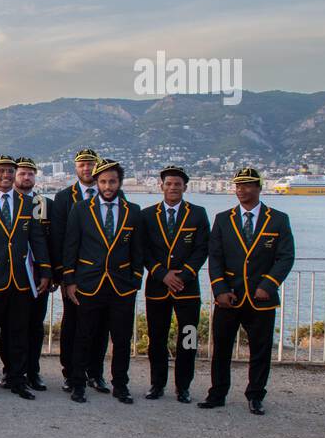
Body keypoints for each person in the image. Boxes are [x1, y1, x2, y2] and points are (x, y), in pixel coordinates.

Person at [199, 167, 295, 415]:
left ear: (259, 187)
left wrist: (268, 285)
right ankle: (217, 393)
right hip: (229, 298)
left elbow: (285, 257)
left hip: (261, 299)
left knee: (260, 350)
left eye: (248, 185)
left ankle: (255, 396)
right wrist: (219, 289)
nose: (242, 190)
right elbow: (215, 257)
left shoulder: (278, 219)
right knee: (221, 349)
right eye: (238, 185)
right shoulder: (223, 218)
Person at [61, 159, 143, 405]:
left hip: (121, 287)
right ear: (97, 183)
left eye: (113, 181)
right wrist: (70, 281)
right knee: (82, 336)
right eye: (104, 181)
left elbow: (138, 251)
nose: (108, 186)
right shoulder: (81, 209)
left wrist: (135, 282)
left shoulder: (133, 211)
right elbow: (71, 247)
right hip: (89, 284)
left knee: (121, 338)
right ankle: (77, 383)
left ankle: (121, 384)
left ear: (119, 182)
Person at [0, 154, 50, 400]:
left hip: (20, 279)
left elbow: (37, 239)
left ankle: (16, 378)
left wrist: (45, 270)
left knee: (18, 331)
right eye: (0, 171)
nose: (5, 175)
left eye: (9, 171)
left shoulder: (30, 204)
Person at [140, 165, 210, 403]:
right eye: (168, 184)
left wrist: (185, 275)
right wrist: (162, 274)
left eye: (177, 184)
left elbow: (202, 248)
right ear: (161, 186)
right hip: (157, 289)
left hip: (187, 290)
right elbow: (144, 250)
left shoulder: (198, 214)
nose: (172, 188)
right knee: (156, 339)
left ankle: (183, 387)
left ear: (185, 187)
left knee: (188, 339)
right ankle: (157, 384)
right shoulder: (147, 215)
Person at [51, 149, 109, 393]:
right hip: (75, 275)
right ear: (75, 167)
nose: (87, 168)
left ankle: (95, 372)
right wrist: (64, 274)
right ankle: (70, 371)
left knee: (100, 326)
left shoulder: (112, 194)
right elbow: (59, 238)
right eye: (82, 164)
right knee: (72, 325)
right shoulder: (64, 198)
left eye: (91, 164)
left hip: (105, 277)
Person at [13, 157, 52, 391]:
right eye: (22, 174)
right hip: (12, 274)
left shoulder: (42, 203)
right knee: (12, 326)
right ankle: (12, 371)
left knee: (36, 325)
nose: (26, 178)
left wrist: (49, 272)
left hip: (37, 275)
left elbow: (48, 239)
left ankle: (33, 371)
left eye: (30, 174)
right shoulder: (6, 202)